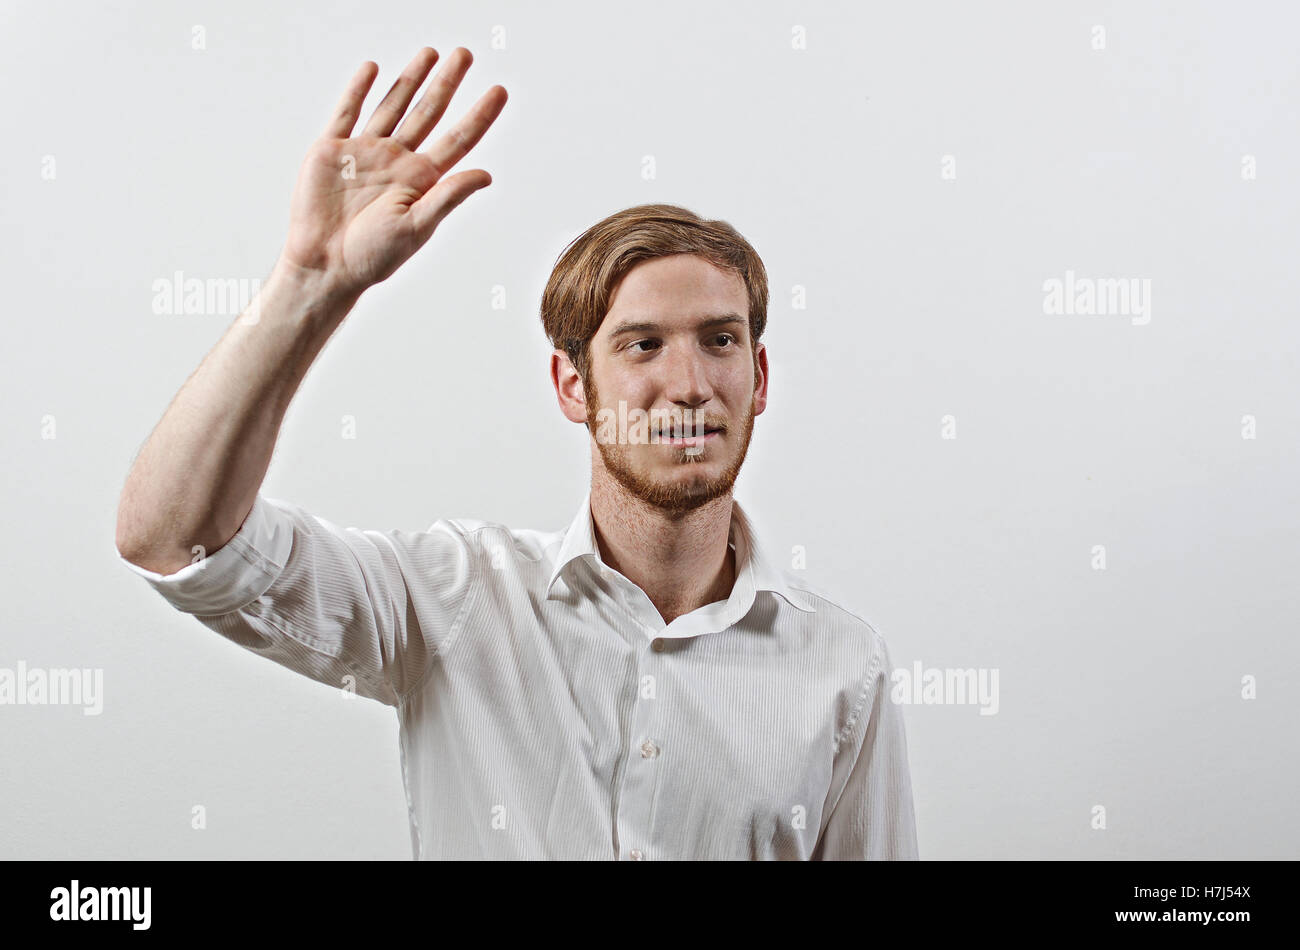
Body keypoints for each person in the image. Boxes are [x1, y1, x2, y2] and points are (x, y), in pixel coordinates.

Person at [115, 46, 919, 860]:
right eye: (642, 345)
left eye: (720, 340)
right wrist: (309, 283)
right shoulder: (457, 601)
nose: (689, 383)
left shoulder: (843, 666)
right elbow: (173, 542)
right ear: (574, 387)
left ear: (759, 373)